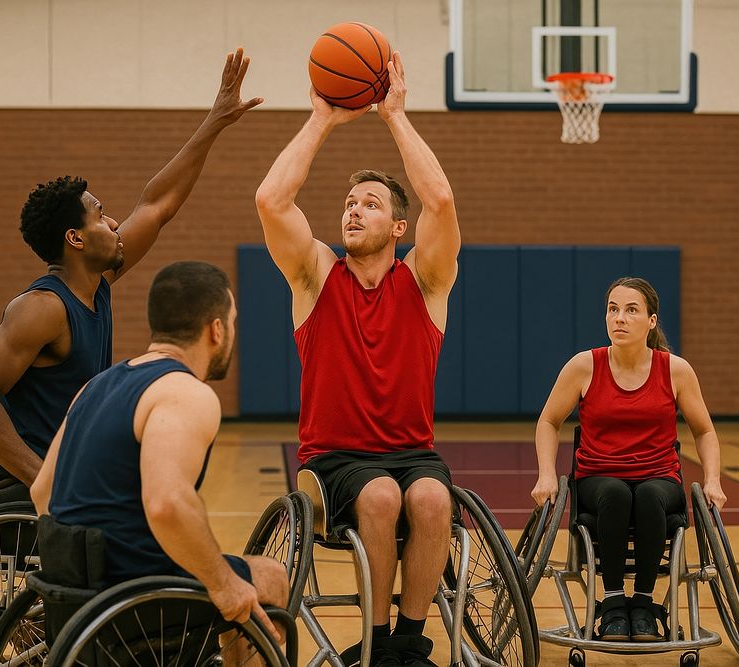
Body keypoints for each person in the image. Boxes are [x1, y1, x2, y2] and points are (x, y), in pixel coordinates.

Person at [0, 48, 263, 490]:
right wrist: (43, 481)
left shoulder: (95, 284)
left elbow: (157, 205)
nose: (115, 223)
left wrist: (215, 121)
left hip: (79, 473)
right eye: (100, 216)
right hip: (36, 490)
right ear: (75, 239)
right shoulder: (42, 308)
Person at [255, 52, 460, 666]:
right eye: (349, 202)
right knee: (379, 497)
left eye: (370, 203)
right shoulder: (316, 275)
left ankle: (408, 644)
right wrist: (321, 118)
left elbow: (440, 200)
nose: (352, 209)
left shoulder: (424, 281)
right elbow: (271, 200)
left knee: (432, 500)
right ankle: (375, 642)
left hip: (412, 452)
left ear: (398, 227)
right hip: (333, 460)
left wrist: (395, 115)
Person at [30, 261, 287, 644]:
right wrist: (224, 584)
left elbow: (41, 492)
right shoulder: (186, 392)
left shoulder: (95, 386)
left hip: (68, 596)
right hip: (135, 598)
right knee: (270, 577)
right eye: (233, 322)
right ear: (216, 329)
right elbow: (167, 503)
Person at [531, 277, 727, 642]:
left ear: (651, 321)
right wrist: (545, 475)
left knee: (649, 495)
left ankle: (644, 604)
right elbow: (548, 421)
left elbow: (704, 431)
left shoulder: (675, 370)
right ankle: (612, 603)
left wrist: (713, 479)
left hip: (659, 477)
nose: (619, 318)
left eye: (631, 310)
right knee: (617, 494)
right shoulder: (584, 366)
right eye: (613, 309)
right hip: (599, 478)